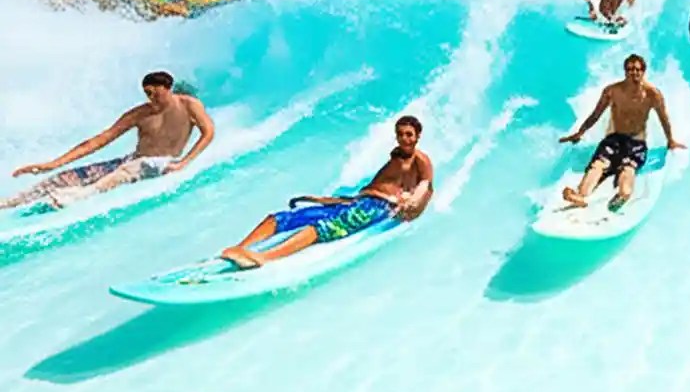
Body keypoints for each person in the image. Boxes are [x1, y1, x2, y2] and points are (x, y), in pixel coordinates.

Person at [220, 116, 434, 269]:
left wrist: (411, 202)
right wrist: (322, 200)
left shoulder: (420, 160)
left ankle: (264, 257)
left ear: (418, 136)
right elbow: (372, 188)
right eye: (400, 134)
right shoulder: (395, 157)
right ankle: (238, 248)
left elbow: (425, 185)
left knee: (319, 229)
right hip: (357, 202)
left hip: (376, 208)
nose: (404, 139)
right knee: (280, 218)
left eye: (409, 135)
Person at [5, 71, 215, 212]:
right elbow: (100, 140)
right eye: (147, 94)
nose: (151, 98)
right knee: (63, 178)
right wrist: (52, 164)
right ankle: (9, 203)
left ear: (167, 88)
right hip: (132, 161)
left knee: (133, 167)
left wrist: (184, 163)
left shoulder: (189, 105)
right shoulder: (139, 114)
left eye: (154, 93)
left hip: (161, 162)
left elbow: (208, 132)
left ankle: (79, 195)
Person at [558, 54, 686, 212]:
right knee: (598, 165)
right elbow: (595, 114)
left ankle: (623, 195)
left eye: (638, 70)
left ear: (644, 71)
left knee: (627, 169)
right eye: (630, 69)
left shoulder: (653, 94)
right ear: (625, 71)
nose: (634, 73)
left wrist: (670, 140)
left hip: (636, 143)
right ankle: (581, 195)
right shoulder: (612, 91)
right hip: (614, 140)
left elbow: (664, 118)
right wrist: (580, 132)